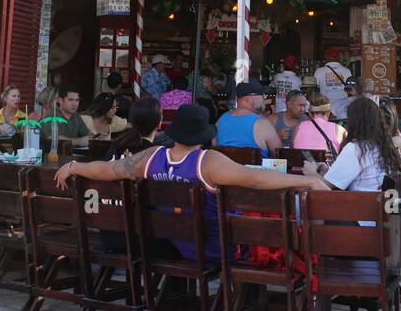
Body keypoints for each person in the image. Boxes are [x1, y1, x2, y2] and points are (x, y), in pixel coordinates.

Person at [54, 102, 329, 265]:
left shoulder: (151, 157)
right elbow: (256, 178)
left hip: (168, 241)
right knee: (266, 235)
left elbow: (110, 169)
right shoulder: (208, 162)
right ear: (203, 134)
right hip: (211, 248)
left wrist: (73, 166)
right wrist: (309, 181)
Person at [320, 96, 401, 193]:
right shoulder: (385, 146)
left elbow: (326, 185)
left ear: (353, 122)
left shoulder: (355, 149)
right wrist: (328, 171)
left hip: (363, 205)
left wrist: (313, 173)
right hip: (384, 204)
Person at [215, 80, 282, 155]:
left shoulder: (221, 120)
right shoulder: (262, 123)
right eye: (261, 94)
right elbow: (279, 155)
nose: (265, 97)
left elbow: (213, 149)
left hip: (224, 166)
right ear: (247, 99)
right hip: (252, 167)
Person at [315, 49, 354, 120]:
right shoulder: (346, 71)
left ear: (326, 57)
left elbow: (316, 89)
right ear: (339, 58)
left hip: (325, 108)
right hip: (342, 108)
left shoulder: (319, 71)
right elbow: (351, 89)